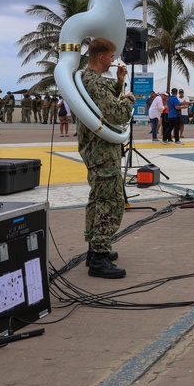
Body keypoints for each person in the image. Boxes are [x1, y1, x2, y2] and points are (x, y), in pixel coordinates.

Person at [78, 37, 134, 279]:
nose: (113, 61)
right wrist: (129, 99)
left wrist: (119, 84)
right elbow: (116, 113)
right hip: (102, 152)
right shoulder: (96, 83)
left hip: (94, 150)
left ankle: (94, 249)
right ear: (101, 58)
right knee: (111, 202)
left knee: (97, 199)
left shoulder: (86, 80)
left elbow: (102, 104)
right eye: (111, 57)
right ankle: (99, 257)